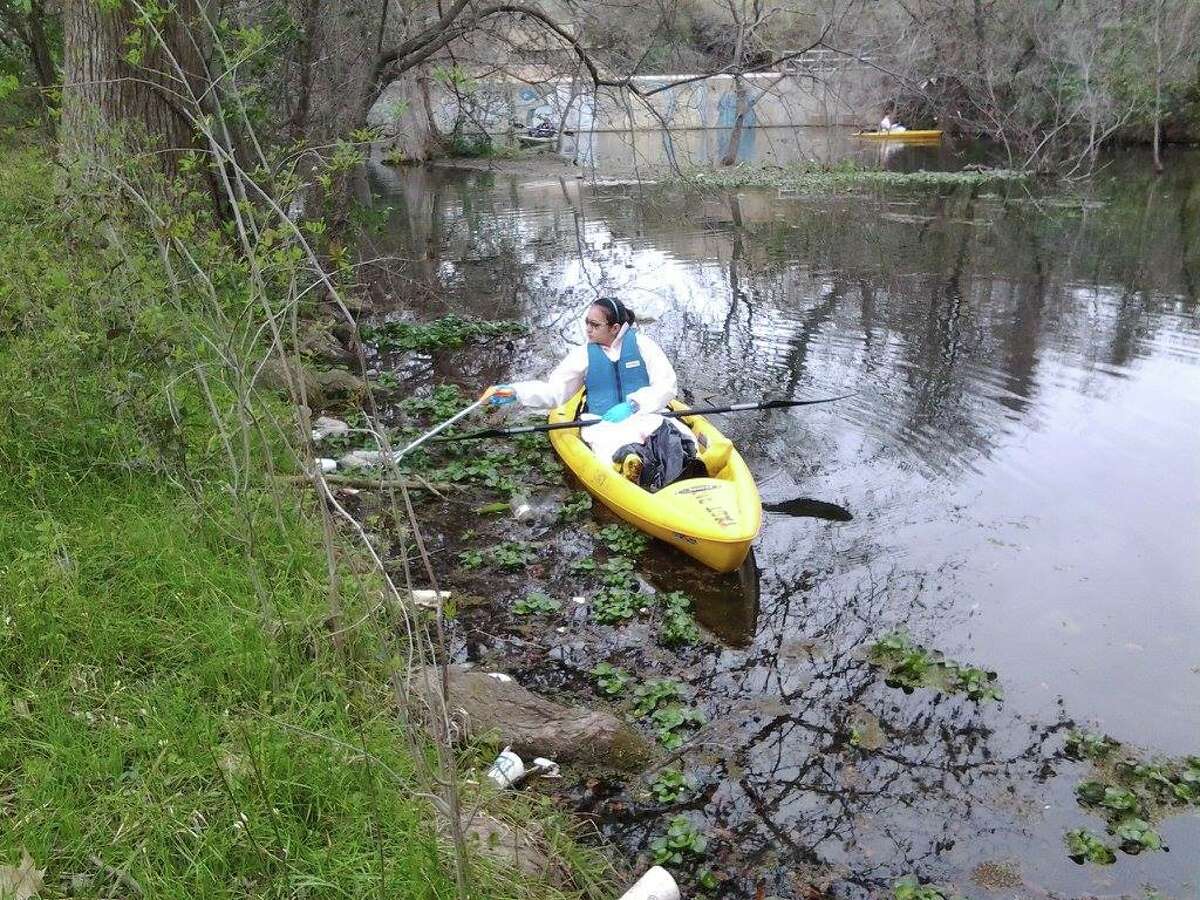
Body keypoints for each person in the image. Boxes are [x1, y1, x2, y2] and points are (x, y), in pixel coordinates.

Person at [480, 297, 698, 487]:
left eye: (595, 325)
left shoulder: (644, 346)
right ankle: (630, 465)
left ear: (614, 328)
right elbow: (555, 392)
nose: (588, 329)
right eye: (587, 323)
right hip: (603, 423)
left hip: (646, 414)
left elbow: (666, 385)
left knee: (678, 440)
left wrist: (634, 404)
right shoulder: (582, 355)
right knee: (610, 449)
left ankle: (677, 468)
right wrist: (515, 392)